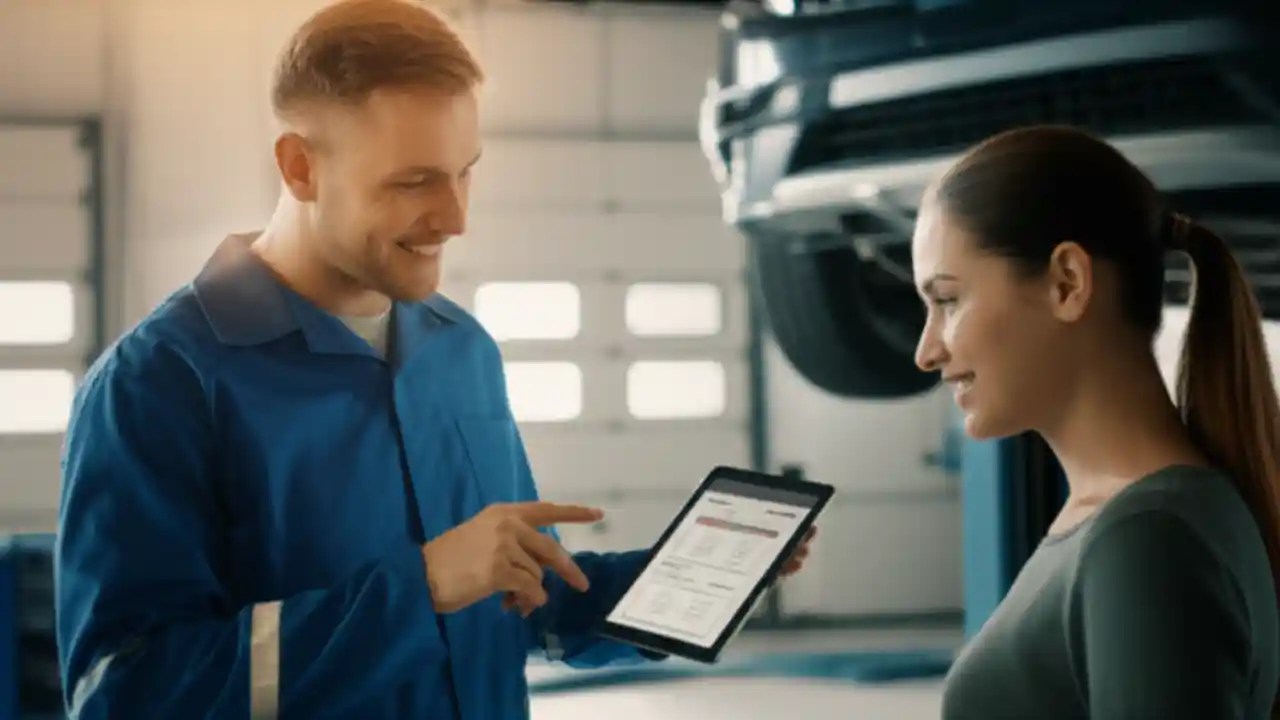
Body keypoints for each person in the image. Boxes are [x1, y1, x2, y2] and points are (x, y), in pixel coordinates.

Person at [54, 1, 815, 718]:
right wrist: (419, 591)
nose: (455, 217)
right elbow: (124, 694)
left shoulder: (463, 352)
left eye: (466, 171)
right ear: (299, 168)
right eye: (413, 182)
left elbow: (521, 602)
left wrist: (689, 586)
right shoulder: (159, 385)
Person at [911, 124, 1280, 718]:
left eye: (948, 300)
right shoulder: (1124, 522)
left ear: (1068, 283)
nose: (926, 351)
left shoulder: (1148, 537)